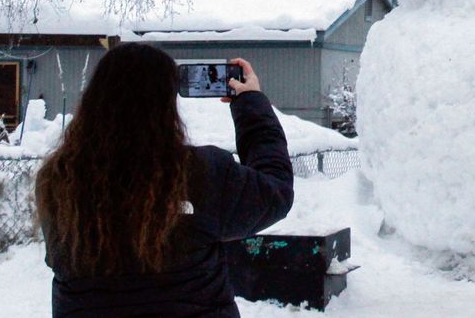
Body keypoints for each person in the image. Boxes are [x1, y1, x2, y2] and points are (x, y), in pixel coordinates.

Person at [36, 43, 293, 317]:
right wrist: (251, 102)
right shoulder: (199, 174)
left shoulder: (58, 180)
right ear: (166, 105)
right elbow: (275, 191)